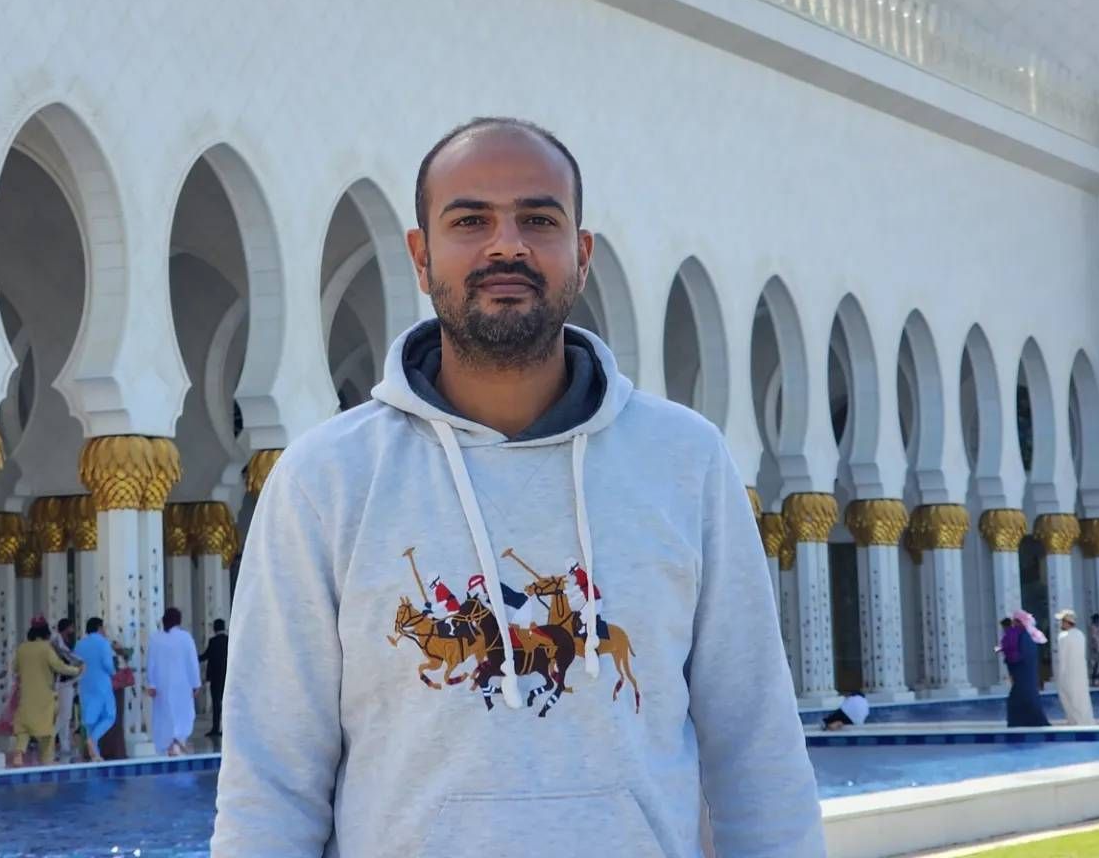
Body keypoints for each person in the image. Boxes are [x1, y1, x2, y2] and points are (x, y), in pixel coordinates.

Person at [213, 118, 825, 858]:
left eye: (538, 219)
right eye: (470, 220)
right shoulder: (326, 480)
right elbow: (270, 783)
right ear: (421, 255)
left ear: (582, 255)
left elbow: (757, 751)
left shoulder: (685, 462)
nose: (507, 245)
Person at [11, 619, 80, 767]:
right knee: (46, 727)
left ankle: (19, 752)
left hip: (26, 694)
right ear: (46, 632)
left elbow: (15, 668)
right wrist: (77, 670)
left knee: (24, 727)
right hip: (44, 694)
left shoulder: (22, 648)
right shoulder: (46, 648)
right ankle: (47, 758)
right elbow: (59, 666)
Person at [147, 607, 201, 757]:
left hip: (161, 685)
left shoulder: (155, 639)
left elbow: (150, 663)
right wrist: (196, 683)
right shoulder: (185, 638)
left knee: (163, 716)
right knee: (182, 713)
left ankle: (168, 745)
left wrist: (151, 683)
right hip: (182, 684)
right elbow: (192, 662)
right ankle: (177, 741)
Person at [74, 617, 117, 762]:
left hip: (85, 685)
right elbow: (108, 665)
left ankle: (95, 755)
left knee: (90, 720)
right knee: (109, 715)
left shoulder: (79, 644)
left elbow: (76, 664)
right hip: (101, 684)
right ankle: (93, 739)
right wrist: (114, 672)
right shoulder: (103, 643)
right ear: (99, 628)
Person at [1001, 611, 1050, 727]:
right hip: (1027, 673)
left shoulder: (1019, 635)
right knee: (1026, 697)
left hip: (1022, 673)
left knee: (1022, 699)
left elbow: (1013, 656)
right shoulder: (1028, 636)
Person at [1053, 610, 1095, 726]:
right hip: (1081, 674)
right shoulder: (1080, 635)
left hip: (1068, 674)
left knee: (1068, 699)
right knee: (1082, 699)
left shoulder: (1063, 636)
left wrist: (1059, 676)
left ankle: (1074, 722)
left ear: (1067, 622)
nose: (1061, 624)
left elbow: (1062, 658)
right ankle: (1086, 722)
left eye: (1062, 621)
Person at [51, 617, 81, 763]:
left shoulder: (64, 641)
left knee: (66, 716)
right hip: (62, 681)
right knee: (64, 715)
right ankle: (49, 739)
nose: (73, 630)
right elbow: (66, 656)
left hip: (68, 681)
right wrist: (79, 664)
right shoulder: (57, 641)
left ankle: (65, 745)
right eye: (71, 627)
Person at [199, 619, 229, 739]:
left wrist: (193, 658)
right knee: (226, 703)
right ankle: (226, 728)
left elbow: (206, 656)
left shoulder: (213, 641)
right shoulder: (229, 640)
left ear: (215, 628)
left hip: (215, 678)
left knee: (216, 703)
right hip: (227, 676)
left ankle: (216, 728)